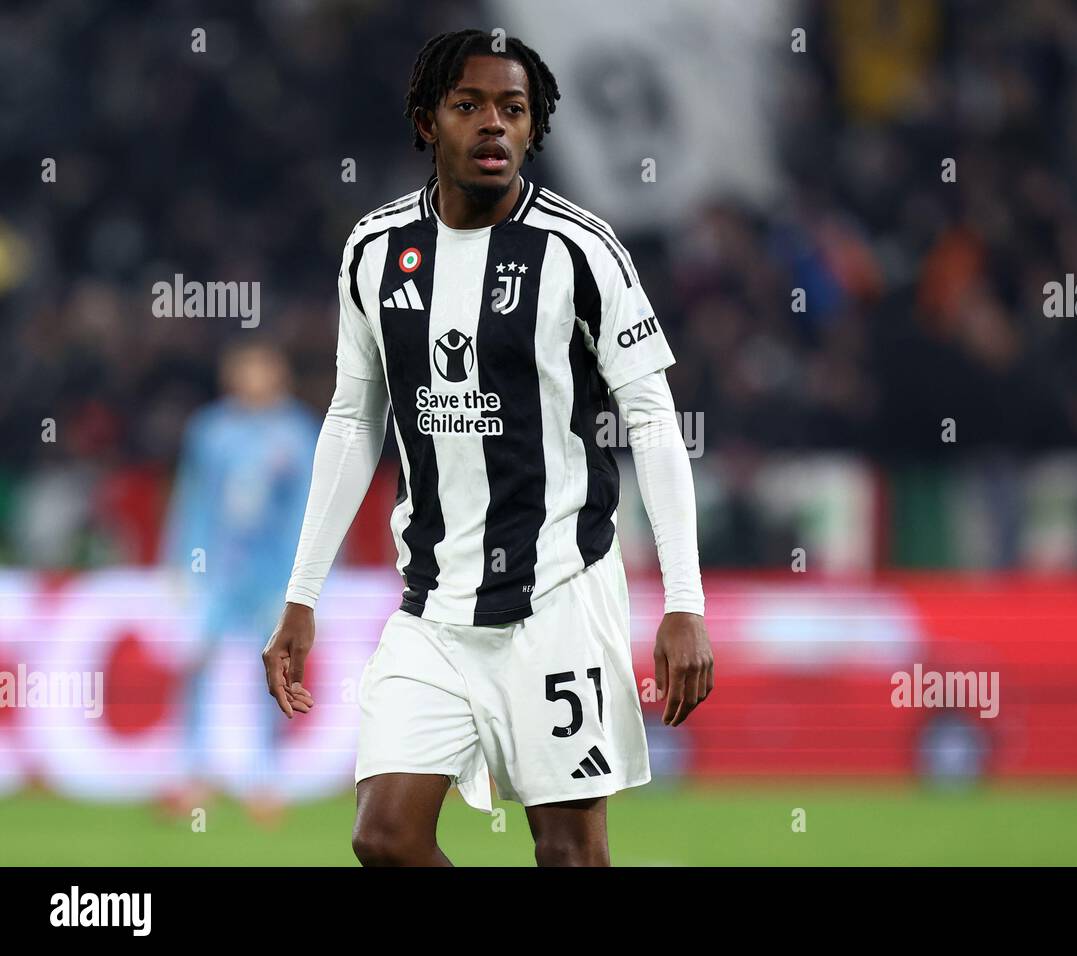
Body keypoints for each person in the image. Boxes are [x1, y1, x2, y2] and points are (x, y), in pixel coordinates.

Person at [262, 29, 713, 866]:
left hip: (560, 599)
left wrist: (683, 601)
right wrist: (302, 593)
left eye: (513, 109)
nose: (493, 125)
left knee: (570, 854)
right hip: (432, 604)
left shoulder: (582, 252)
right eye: (470, 105)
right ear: (429, 120)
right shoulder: (374, 251)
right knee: (385, 837)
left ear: (535, 128)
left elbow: (652, 418)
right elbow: (356, 419)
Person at [164, 342, 318, 824]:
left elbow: (310, 508)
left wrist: (306, 577)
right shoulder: (212, 430)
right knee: (196, 663)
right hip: (217, 571)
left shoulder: (297, 433)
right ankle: (193, 771)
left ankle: (264, 776)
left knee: (276, 672)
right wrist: (181, 561)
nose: (254, 378)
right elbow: (194, 498)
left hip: (275, 575)